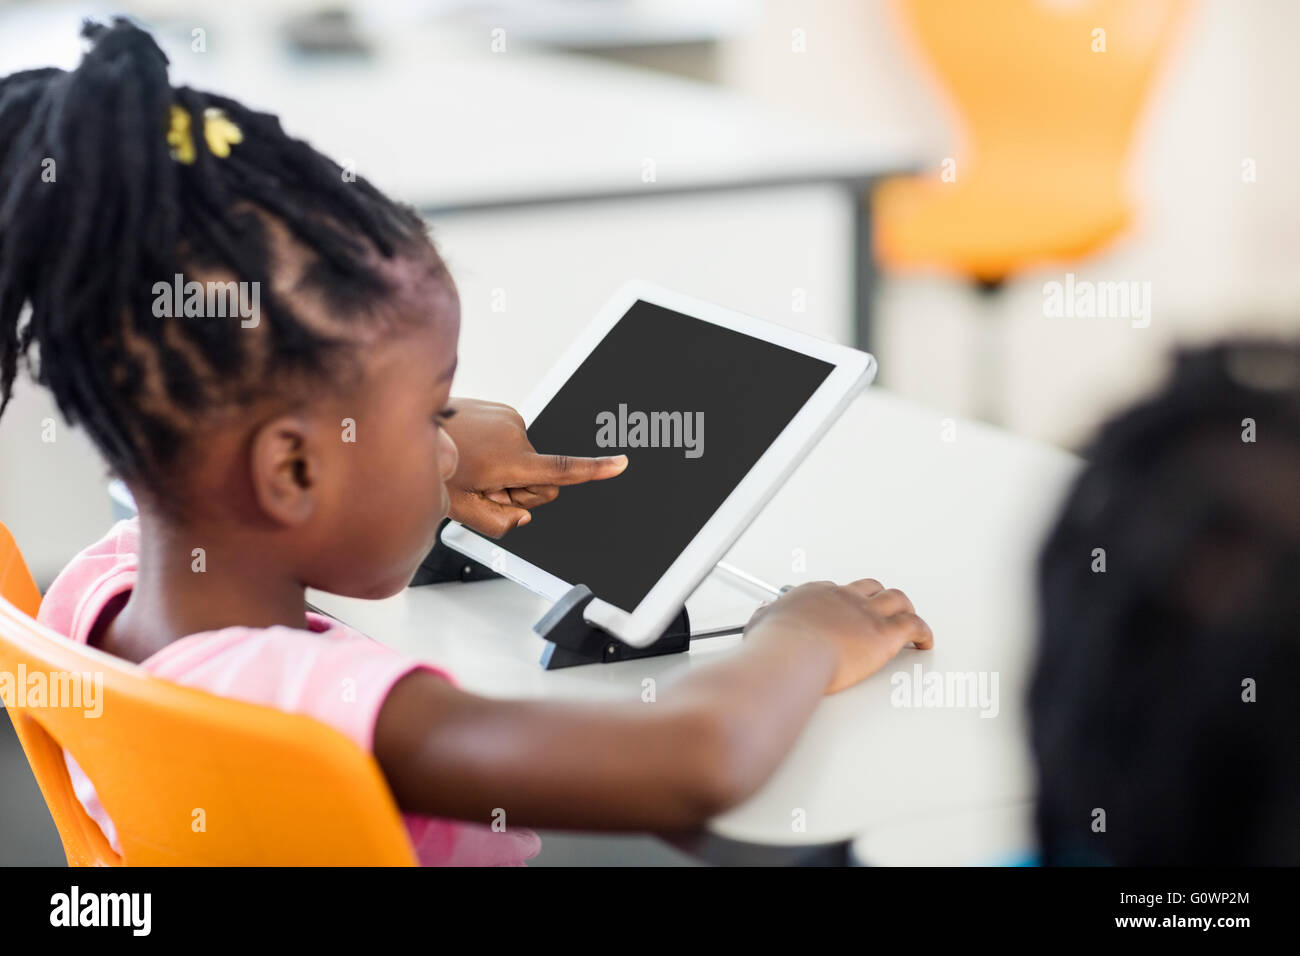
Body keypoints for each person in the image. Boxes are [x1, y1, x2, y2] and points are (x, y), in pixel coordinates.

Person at [0, 19, 933, 865]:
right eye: (430, 416)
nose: (448, 450)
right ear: (291, 470)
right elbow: (694, 764)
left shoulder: (99, 587)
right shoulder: (313, 714)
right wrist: (801, 635)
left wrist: (389, 463)